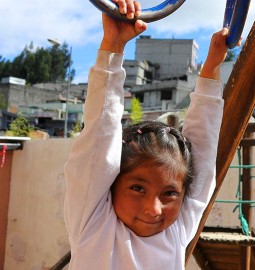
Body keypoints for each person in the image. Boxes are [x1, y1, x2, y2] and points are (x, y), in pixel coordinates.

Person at [63, 0, 237, 268]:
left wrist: (212, 63)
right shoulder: (94, 222)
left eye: (169, 193)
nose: (153, 209)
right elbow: (100, 134)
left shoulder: (176, 230)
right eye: (137, 188)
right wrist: (113, 45)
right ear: (110, 185)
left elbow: (203, 149)